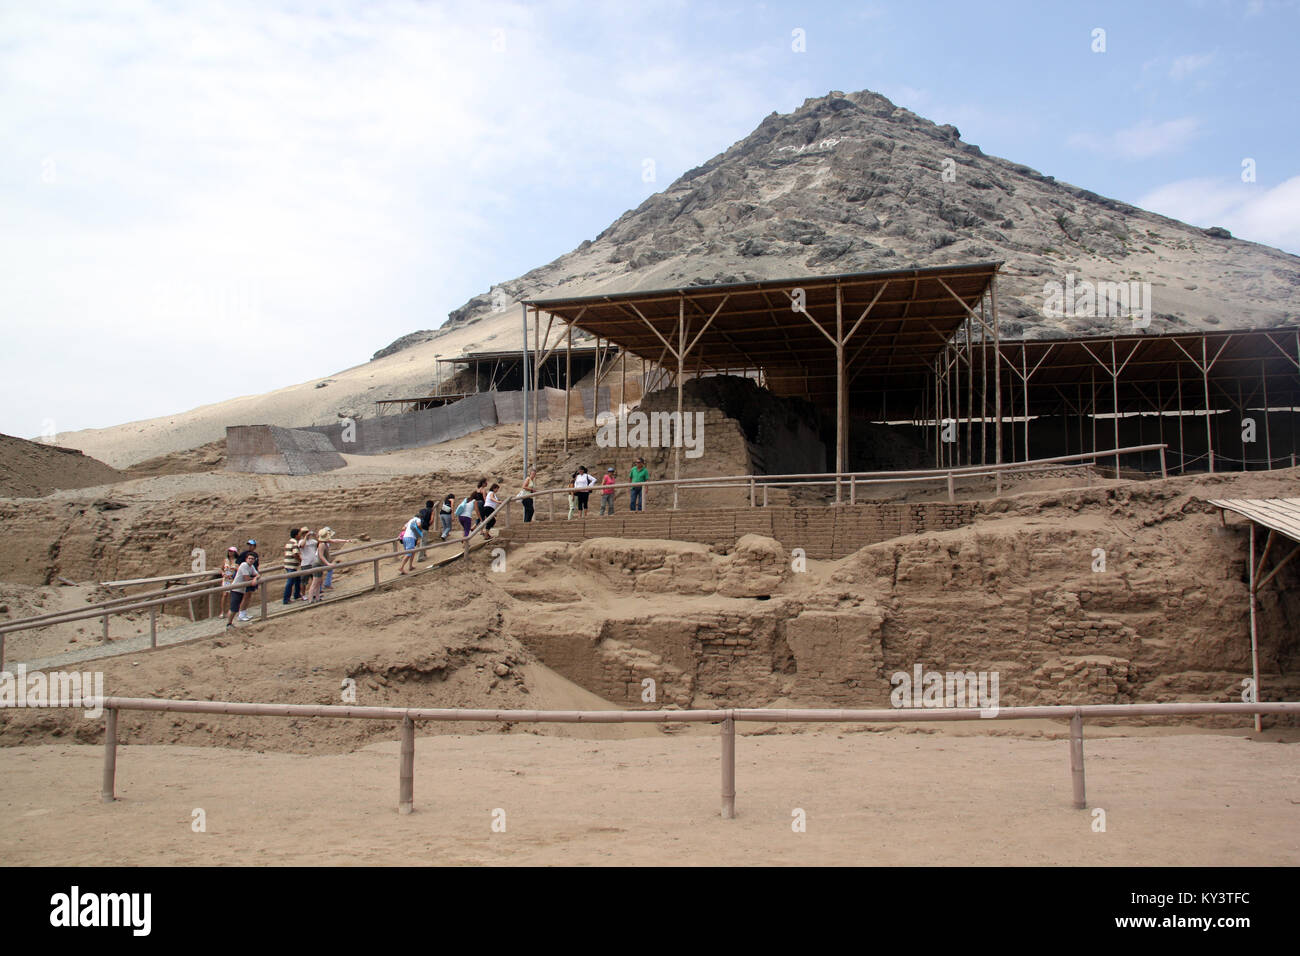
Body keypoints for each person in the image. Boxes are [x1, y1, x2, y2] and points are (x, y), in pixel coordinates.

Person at [225, 551, 260, 628]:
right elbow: (246, 578)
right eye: (249, 558)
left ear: (254, 560)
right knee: (233, 608)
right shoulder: (244, 565)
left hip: (241, 589)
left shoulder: (251, 566)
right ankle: (228, 624)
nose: (250, 560)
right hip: (236, 589)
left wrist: (255, 578)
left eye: (252, 559)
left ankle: (230, 623)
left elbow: (257, 574)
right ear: (246, 559)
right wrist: (254, 578)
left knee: (235, 607)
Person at [236, 539, 259, 621]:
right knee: (245, 596)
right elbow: (238, 565)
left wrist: (255, 576)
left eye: (251, 545)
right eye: (249, 545)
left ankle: (244, 613)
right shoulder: (243, 554)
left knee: (249, 595)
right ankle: (241, 614)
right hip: (246, 578)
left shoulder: (255, 555)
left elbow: (256, 567)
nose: (250, 546)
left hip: (252, 576)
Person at [298, 529, 320, 601]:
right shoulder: (301, 541)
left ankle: (314, 593)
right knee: (304, 581)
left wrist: (316, 536)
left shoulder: (313, 541)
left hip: (313, 563)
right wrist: (305, 537)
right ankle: (303, 595)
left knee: (315, 579)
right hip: (306, 564)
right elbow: (302, 546)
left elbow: (319, 544)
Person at [282, 528, 302, 604]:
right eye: (299, 534)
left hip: (287, 564)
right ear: (296, 535)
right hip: (291, 565)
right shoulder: (294, 543)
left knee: (297, 579)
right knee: (290, 582)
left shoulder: (288, 542)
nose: (300, 536)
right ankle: (286, 599)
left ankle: (297, 594)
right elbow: (295, 554)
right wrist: (301, 561)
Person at [221, 547, 239, 616]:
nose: (230, 552)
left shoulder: (237, 561)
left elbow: (239, 570)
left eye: (231, 551)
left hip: (233, 580)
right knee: (225, 595)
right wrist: (223, 573)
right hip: (226, 580)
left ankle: (231, 610)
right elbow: (221, 568)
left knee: (232, 595)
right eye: (229, 551)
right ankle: (222, 611)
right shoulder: (226, 560)